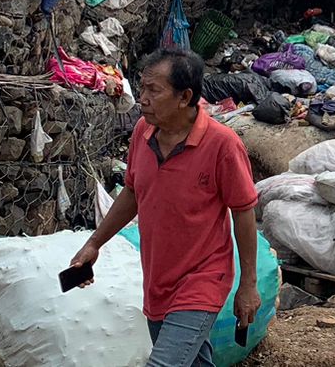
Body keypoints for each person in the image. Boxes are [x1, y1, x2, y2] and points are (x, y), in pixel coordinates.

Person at [70, 48, 260, 367]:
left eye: (153, 90)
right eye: (142, 88)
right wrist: (93, 243)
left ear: (184, 97)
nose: (142, 98)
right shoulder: (142, 134)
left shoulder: (222, 145)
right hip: (158, 277)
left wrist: (249, 284)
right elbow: (132, 193)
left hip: (203, 278)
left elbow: (243, 212)